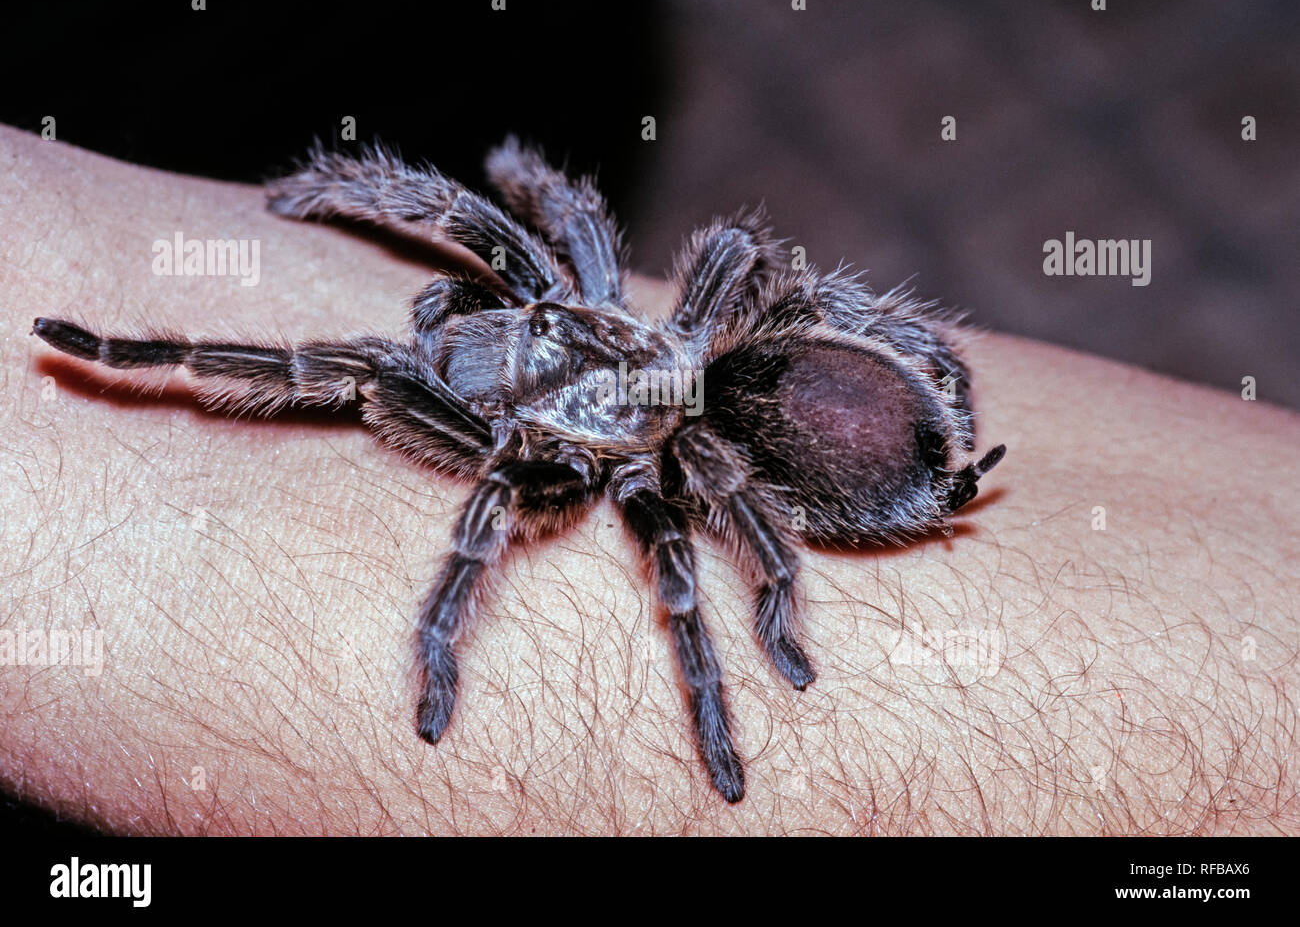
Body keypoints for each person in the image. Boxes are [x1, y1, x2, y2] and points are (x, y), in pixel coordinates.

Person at [1, 126, 1295, 834]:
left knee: (339, 367)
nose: (491, 322)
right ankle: (914, 396)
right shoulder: (608, 310)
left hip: (726, 433)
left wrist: (759, 616)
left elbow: (634, 541)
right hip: (694, 377)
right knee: (719, 264)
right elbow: (540, 217)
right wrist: (387, 185)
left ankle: (129, 357)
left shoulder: (550, 460)